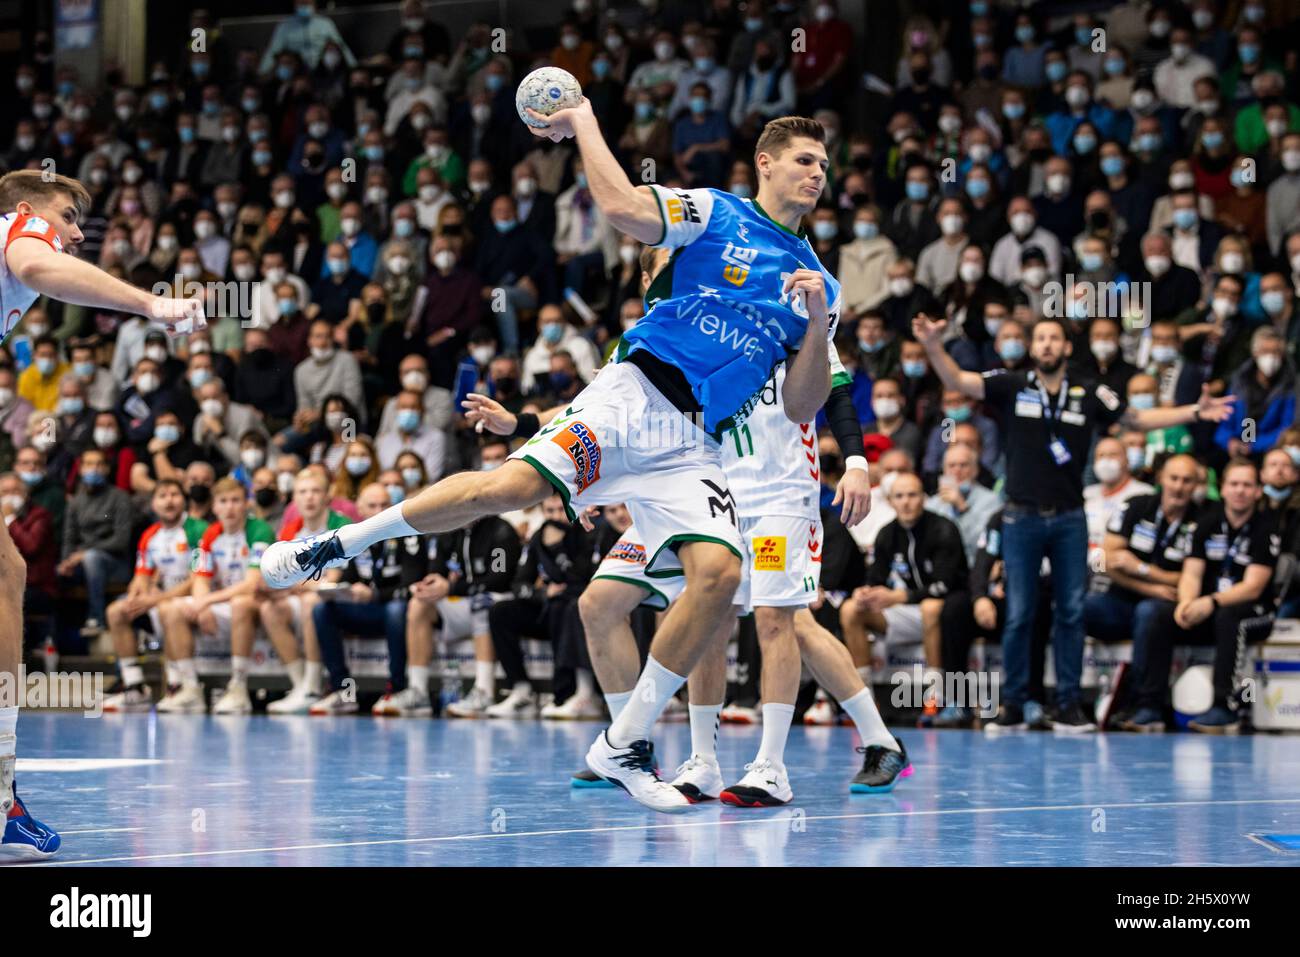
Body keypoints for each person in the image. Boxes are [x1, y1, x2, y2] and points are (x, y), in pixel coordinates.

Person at [260, 109, 841, 814]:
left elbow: (806, 404)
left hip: (695, 443)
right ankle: (334, 544)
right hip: (631, 395)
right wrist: (584, 122)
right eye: (805, 159)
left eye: (824, 163)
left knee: (719, 574)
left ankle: (625, 741)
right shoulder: (715, 211)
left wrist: (814, 325)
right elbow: (626, 207)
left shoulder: (819, 283)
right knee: (506, 488)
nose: (818, 173)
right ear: (767, 162)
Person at [912, 312, 1235, 733]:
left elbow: (1135, 420)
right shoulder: (1013, 384)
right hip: (1020, 517)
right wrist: (934, 345)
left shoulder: (1088, 390)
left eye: (1054, 339)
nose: (1045, 345)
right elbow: (958, 382)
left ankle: (1067, 704)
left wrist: (1194, 410)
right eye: (1039, 338)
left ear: (1066, 347)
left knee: (1071, 612)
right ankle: (1013, 703)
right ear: (1032, 348)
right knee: (1020, 612)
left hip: (1069, 518)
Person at [1125, 458, 1280, 733]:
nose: (1240, 490)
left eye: (1247, 485)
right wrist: (1186, 603)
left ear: (1258, 491)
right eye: (1234, 484)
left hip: (1255, 613)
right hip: (1209, 609)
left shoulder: (1266, 527)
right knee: (1155, 612)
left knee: (1230, 616)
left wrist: (1210, 602)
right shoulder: (1206, 523)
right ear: (1222, 488)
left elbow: (1253, 587)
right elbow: (1191, 574)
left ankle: (1224, 706)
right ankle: (1149, 706)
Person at [100, 481, 207, 712]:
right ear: (153, 504)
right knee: (117, 611)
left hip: (190, 598)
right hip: (160, 598)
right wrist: (136, 595)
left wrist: (155, 599)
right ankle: (134, 687)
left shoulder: (198, 529)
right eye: (162, 496)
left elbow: (198, 579)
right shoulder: (149, 535)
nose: (169, 500)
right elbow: (141, 575)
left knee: (168, 608)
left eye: (174, 494)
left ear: (184, 500)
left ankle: (178, 687)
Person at [57, 449, 136, 635]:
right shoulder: (75, 501)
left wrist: (84, 553)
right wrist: (66, 561)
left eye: (99, 464)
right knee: (55, 572)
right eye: (89, 464)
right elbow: (69, 537)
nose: (95, 469)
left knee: (92, 558)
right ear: (81, 469)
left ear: (107, 469)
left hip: (115, 563)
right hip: (81, 564)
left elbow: (121, 540)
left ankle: (96, 618)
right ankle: (54, 637)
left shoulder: (120, 497)